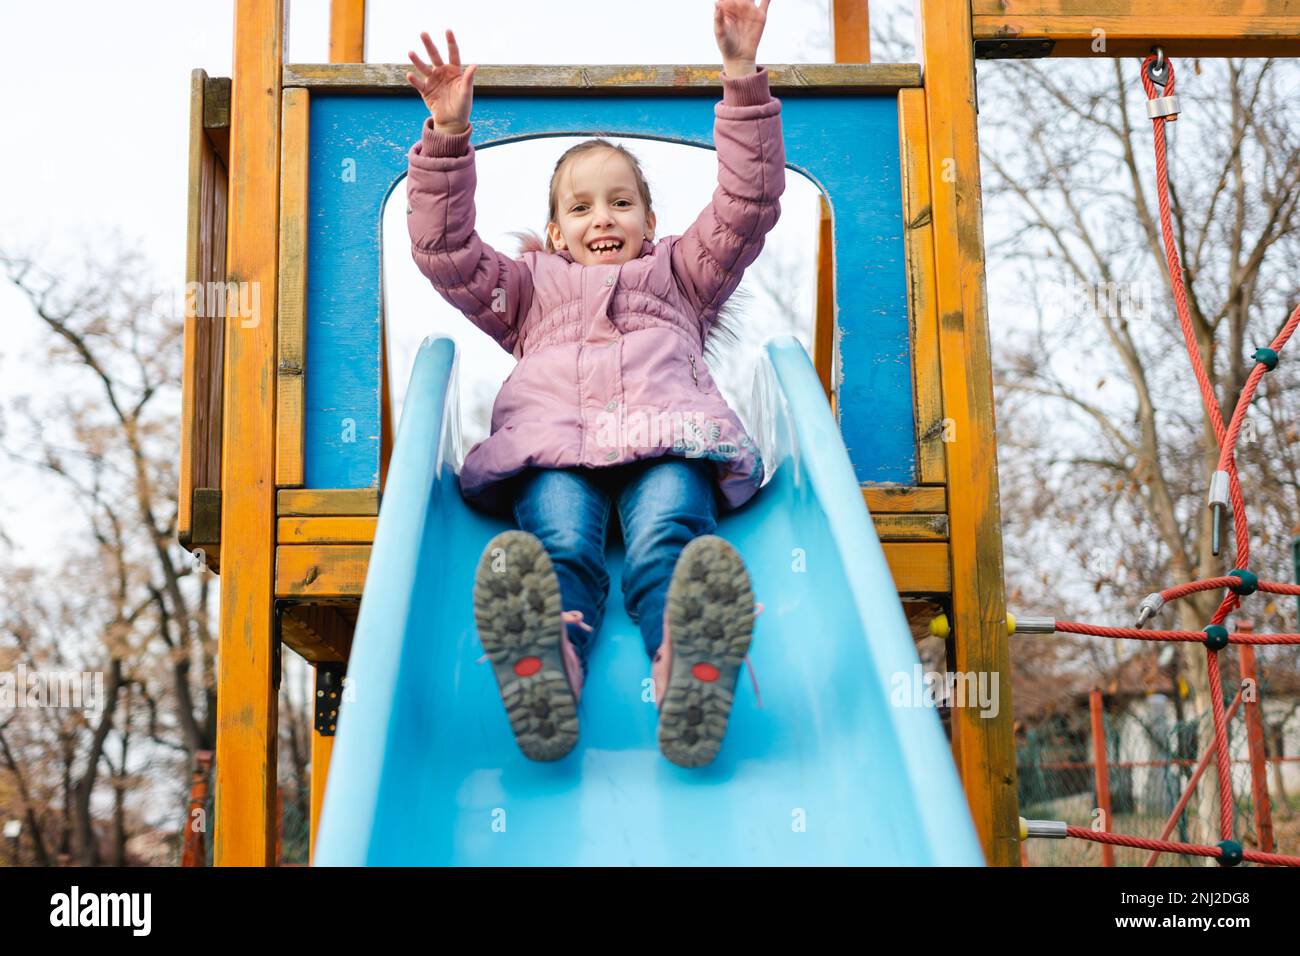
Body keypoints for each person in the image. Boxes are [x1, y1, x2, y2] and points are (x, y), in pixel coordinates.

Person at [404, 0, 782, 767]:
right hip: (552, 456)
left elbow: (746, 207)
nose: (601, 217)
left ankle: (691, 665)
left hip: (669, 444)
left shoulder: (681, 275)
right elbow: (443, 250)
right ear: (553, 233)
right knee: (559, 549)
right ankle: (547, 667)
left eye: (620, 201)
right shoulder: (525, 292)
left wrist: (741, 77)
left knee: (666, 541)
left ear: (649, 219)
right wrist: (447, 137)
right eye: (580, 207)